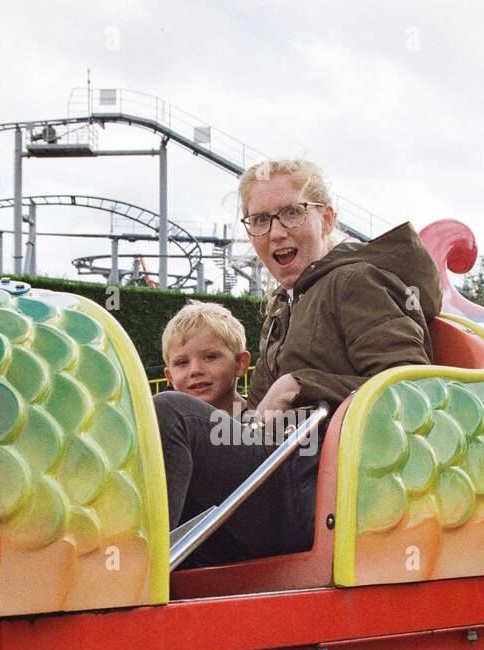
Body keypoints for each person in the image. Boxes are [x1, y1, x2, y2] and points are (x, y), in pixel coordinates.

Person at [154, 158, 440, 565]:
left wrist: (301, 383)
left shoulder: (354, 281)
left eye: (291, 212)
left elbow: (411, 388)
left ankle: (131, 577)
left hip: (320, 488)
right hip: (276, 472)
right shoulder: (284, 306)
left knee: (173, 413)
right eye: (259, 220)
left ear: (325, 218)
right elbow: (260, 416)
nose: (276, 232)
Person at [162, 301, 249, 416]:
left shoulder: (267, 421)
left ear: (240, 363)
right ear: (170, 377)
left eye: (210, 357)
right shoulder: (162, 429)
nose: (195, 370)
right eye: (182, 362)